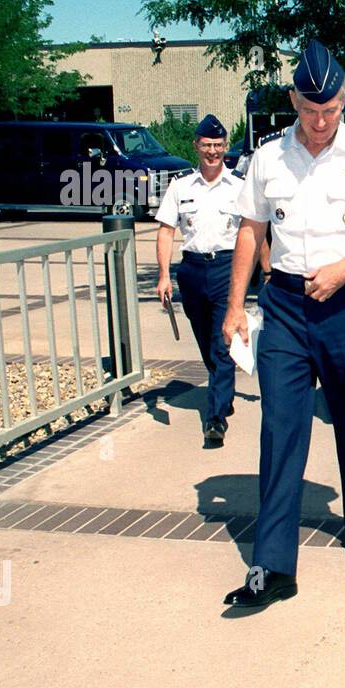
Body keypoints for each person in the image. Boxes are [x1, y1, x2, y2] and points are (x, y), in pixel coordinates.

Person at [219, 39, 345, 609]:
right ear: (293, 101)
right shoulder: (266, 158)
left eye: (331, 110)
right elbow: (251, 232)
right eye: (310, 110)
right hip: (284, 305)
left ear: (344, 100)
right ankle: (273, 565)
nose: (322, 121)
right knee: (281, 428)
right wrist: (236, 306)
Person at [154, 114, 244, 447]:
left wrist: (265, 272)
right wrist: (164, 275)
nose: (212, 152)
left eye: (218, 146)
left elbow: (253, 232)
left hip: (226, 269)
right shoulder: (180, 187)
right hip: (192, 271)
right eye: (207, 146)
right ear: (196, 146)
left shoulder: (239, 186)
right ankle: (225, 389)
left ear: (225, 148)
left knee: (221, 344)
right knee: (207, 341)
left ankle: (215, 419)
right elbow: (166, 230)